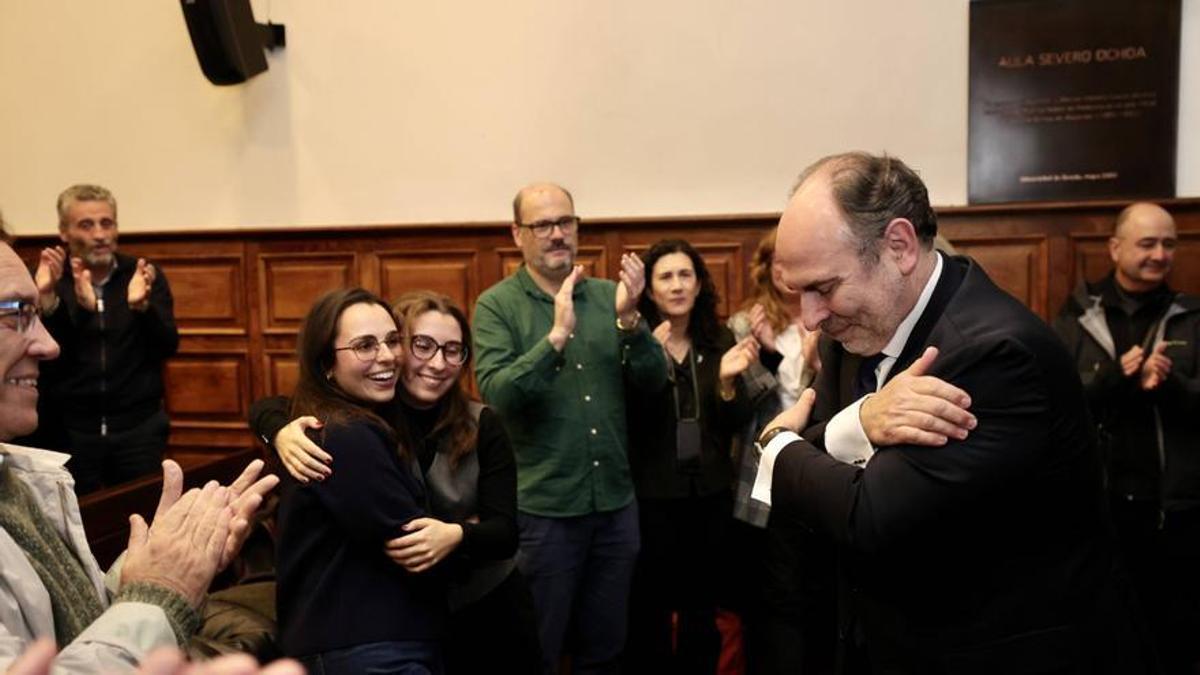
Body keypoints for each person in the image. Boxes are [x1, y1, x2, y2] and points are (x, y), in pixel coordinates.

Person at [751, 152, 1147, 673]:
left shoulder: (995, 354)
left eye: (823, 288)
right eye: (799, 292)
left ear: (899, 246)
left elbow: (869, 512)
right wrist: (861, 421)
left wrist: (775, 449)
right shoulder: (848, 336)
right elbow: (826, 450)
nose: (810, 317)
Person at [0, 240, 279, 673]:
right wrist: (160, 592)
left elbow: (76, 631)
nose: (48, 345)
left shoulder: (18, 479)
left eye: (36, 313)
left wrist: (159, 566)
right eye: (15, 312)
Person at [249, 290, 540, 674]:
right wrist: (279, 431)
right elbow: (272, 406)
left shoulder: (480, 422)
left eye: (454, 350)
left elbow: (504, 532)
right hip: (390, 619)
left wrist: (457, 535)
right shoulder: (366, 411)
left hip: (482, 605)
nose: (438, 362)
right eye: (423, 345)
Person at [472, 182, 668, 673]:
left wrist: (629, 323)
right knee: (538, 647)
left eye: (566, 222)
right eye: (543, 225)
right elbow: (499, 395)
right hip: (544, 512)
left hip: (616, 506)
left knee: (605, 650)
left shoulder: (608, 297)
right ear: (517, 234)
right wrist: (555, 338)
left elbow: (652, 384)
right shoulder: (496, 307)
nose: (557, 234)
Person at [1053, 202, 1200, 673]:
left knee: (1173, 633)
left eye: (1169, 243)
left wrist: (1172, 385)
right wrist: (1114, 377)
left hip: (1173, 510)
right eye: (1148, 243)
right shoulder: (1078, 313)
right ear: (1116, 248)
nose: (1160, 254)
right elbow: (1057, 402)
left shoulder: (1193, 317)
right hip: (1097, 504)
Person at [273, 287, 445, 674]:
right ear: (327, 364)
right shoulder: (344, 435)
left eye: (391, 341)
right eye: (365, 346)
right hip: (360, 647)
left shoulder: (363, 419)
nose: (387, 356)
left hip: (372, 639)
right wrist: (471, 533)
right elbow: (413, 543)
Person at [622, 239, 758, 673]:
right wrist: (650, 361)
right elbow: (626, 417)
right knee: (651, 609)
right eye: (665, 276)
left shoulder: (720, 337)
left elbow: (737, 419)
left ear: (699, 285)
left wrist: (727, 383)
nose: (677, 285)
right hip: (652, 495)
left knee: (703, 608)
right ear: (650, 289)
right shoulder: (632, 340)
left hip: (710, 493)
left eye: (686, 275)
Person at [23, 184, 178, 494]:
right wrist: (57, 304)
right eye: (86, 225)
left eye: (107, 223)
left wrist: (141, 308)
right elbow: (48, 360)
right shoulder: (48, 280)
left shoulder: (142, 274)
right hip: (70, 433)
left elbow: (168, 346)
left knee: (140, 517)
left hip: (138, 428)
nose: (100, 234)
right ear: (64, 232)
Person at [727, 230, 835, 675]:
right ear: (768, 269)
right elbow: (748, 402)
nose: (786, 275)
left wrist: (815, 367)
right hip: (764, 473)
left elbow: (835, 398)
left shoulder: (831, 318)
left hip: (823, 466)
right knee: (775, 590)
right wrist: (768, 355)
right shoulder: (742, 323)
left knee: (820, 585)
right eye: (777, 264)